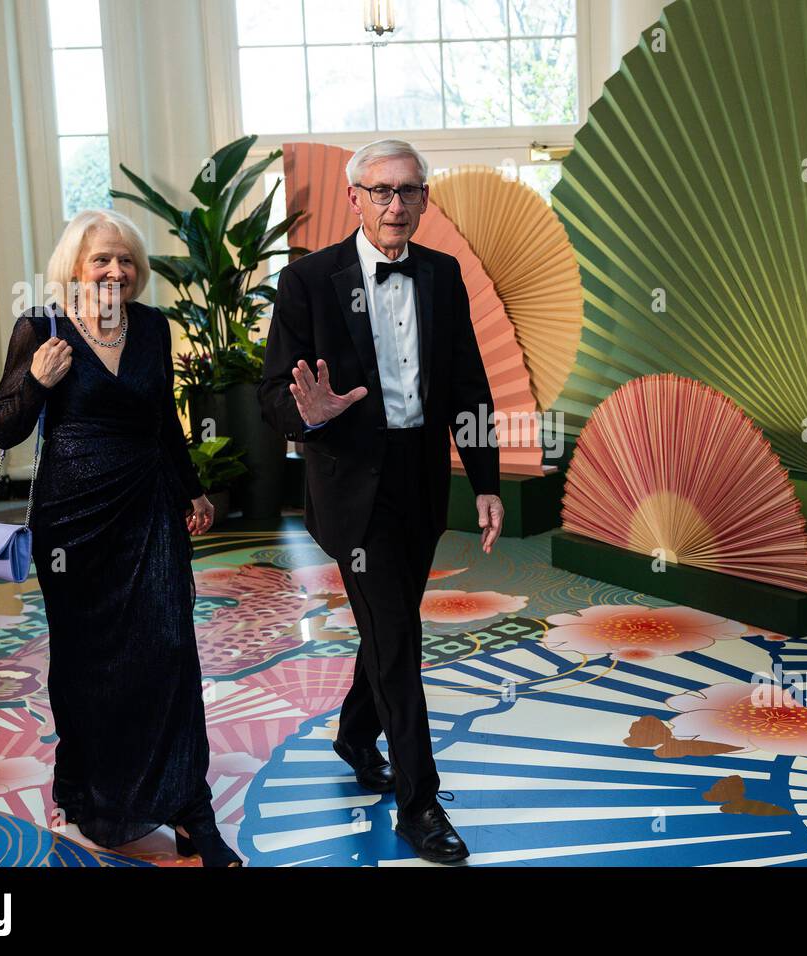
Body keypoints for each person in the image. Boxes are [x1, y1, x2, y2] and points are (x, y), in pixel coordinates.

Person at [258, 139, 504, 864]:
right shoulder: (306, 281)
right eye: (382, 191)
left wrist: (485, 481)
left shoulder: (443, 273)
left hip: (420, 481)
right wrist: (314, 413)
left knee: (386, 625)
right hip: (352, 488)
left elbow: (468, 386)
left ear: (425, 200)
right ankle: (419, 805)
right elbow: (274, 395)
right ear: (354, 198)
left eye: (410, 192)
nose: (397, 205)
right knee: (398, 639)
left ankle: (354, 733)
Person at [0, 208, 240, 866]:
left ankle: (190, 811)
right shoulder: (41, 327)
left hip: (149, 510)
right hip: (73, 524)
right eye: (102, 259)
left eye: (126, 260)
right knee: (86, 665)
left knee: (170, 653)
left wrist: (193, 489)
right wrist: (38, 382)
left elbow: (164, 423)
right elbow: (1, 429)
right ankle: (90, 799)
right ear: (75, 266)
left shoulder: (153, 327)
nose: (116, 270)